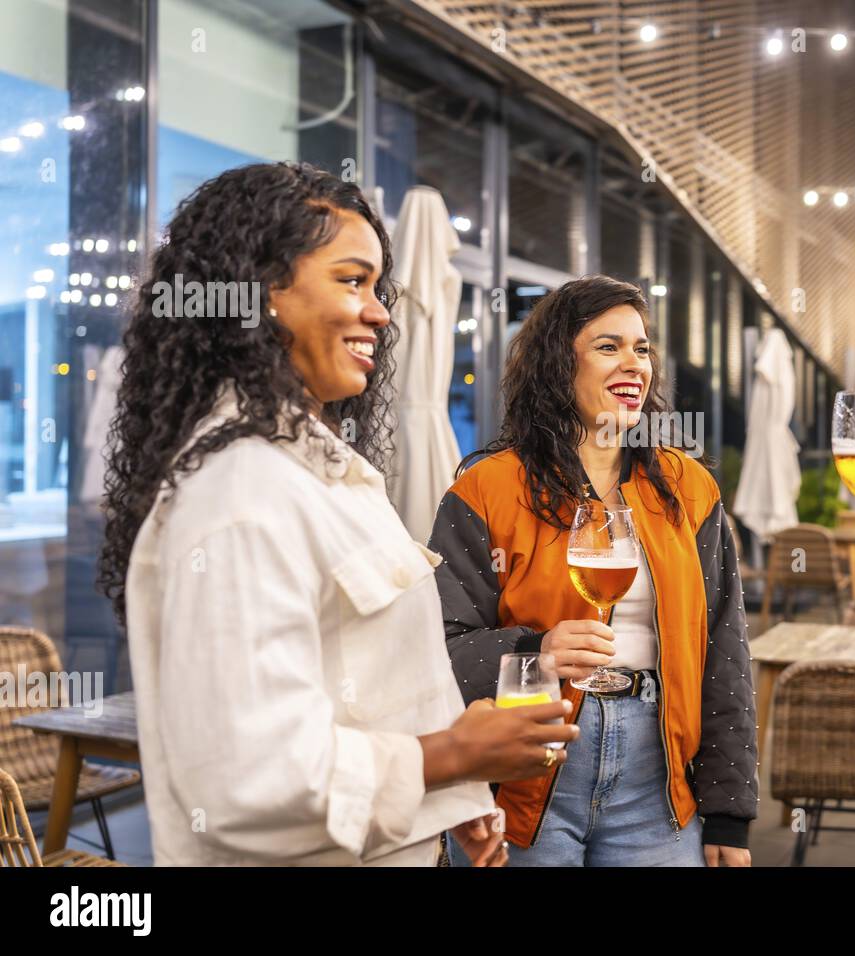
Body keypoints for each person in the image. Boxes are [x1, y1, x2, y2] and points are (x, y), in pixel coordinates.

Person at [99, 162, 576, 866]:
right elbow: (242, 781)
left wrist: (449, 797)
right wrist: (447, 757)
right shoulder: (241, 493)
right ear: (258, 295)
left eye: (378, 286)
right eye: (352, 281)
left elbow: (372, 684)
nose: (381, 312)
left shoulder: (331, 475)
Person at [431, 275, 757, 866]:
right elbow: (437, 650)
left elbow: (725, 651)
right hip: (526, 771)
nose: (633, 363)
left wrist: (730, 810)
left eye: (642, 348)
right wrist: (537, 650)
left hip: (658, 781)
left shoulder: (690, 488)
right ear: (559, 363)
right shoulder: (486, 487)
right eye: (609, 347)